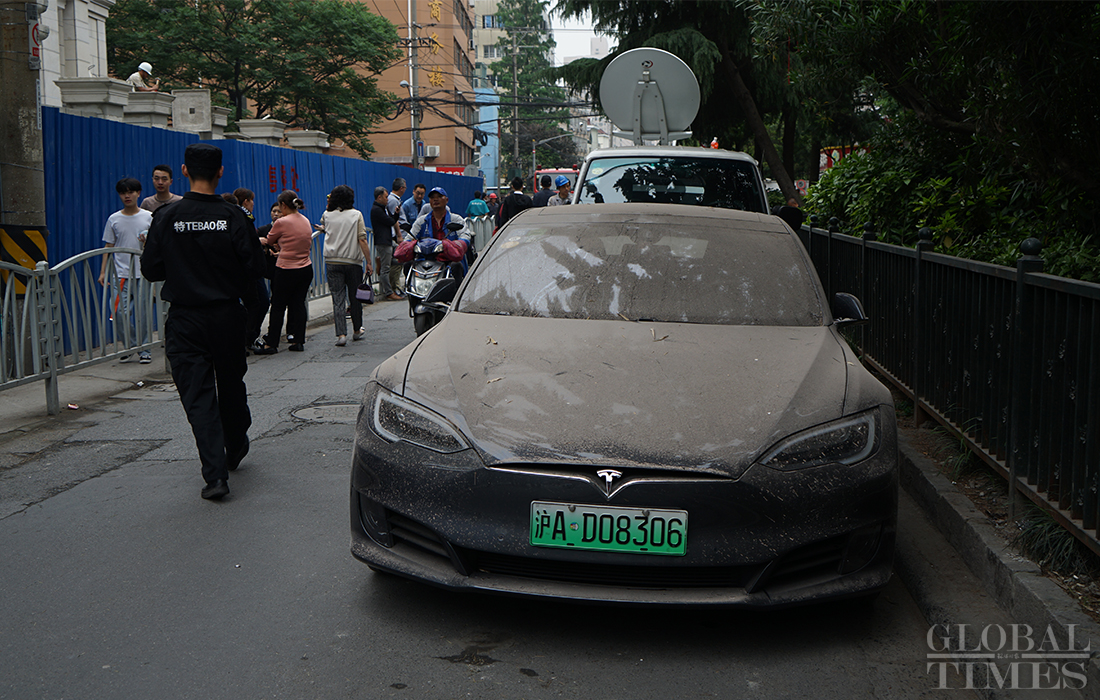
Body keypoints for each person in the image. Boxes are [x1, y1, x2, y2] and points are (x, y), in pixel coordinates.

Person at [140, 143, 265, 501]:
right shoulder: (235, 216)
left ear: (183, 171)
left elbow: (151, 269)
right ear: (220, 172)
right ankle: (235, 444)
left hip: (185, 319)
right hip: (226, 315)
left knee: (198, 396)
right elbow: (255, 267)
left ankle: (215, 476)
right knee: (231, 385)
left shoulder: (166, 216)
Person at [99, 177, 154, 364]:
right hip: (120, 274)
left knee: (143, 314)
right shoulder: (114, 219)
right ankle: (131, 346)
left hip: (143, 274)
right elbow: (108, 246)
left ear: (138, 193)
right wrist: (103, 272)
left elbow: (156, 244)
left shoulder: (148, 217)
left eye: (131, 192)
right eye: (123, 193)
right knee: (117, 312)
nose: (127, 196)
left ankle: (145, 349)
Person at [254, 190, 312, 354]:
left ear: (283, 205)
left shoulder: (282, 222)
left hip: (286, 269)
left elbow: (270, 239)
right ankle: (298, 340)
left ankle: (272, 344)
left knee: (278, 306)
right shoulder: (305, 220)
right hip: (305, 268)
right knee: (298, 304)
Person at [320, 185, 372, 346]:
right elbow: (362, 239)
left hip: (332, 261)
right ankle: (356, 330)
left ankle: (341, 335)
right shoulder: (356, 215)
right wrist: (369, 262)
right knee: (355, 298)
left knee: (338, 299)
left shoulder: (327, 215)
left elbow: (324, 224)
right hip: (353, 262)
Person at [394, 187, 470, 279]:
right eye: (432, 197)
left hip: (448, 262)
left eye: (439, 197)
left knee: (457, 266)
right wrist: (409, 244)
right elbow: (409, 239)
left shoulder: (456, 219)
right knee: (407, 265)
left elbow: (465, 237)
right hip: (424, 263)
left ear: (446, 200)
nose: (435, 199)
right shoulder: (421, 221)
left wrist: (454, 245)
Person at [246, 202, 280, 352]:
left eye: (278, 211)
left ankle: (253, 335)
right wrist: (260, 243)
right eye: (273, 211)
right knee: (258, 303)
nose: (276, 214)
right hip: (255, 270)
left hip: (273, 270)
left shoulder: (248, 220)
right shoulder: (261, 229)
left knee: (267, 302)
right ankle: (249, 337)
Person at [369, 186, 400, 300]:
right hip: (383, 241)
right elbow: (390, 221)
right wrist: (395, 215)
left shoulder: (383, 208)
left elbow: (391, 219)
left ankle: (380, 263)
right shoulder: (376, 210)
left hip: (388, 240)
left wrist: (395, 213)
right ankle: (388, 292)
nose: (388, 199)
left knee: (400, 256)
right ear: (379, 197)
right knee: (385, 269)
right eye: (386, 197)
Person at [387, 178, 407, 297]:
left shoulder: (395, 200)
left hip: (399, 234)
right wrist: (399, 235)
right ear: (401, 188)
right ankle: (394, 288)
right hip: (396, 236)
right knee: (396, 263)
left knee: (399, 263)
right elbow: (394, 220)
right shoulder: (393, 201)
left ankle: (396, 287)